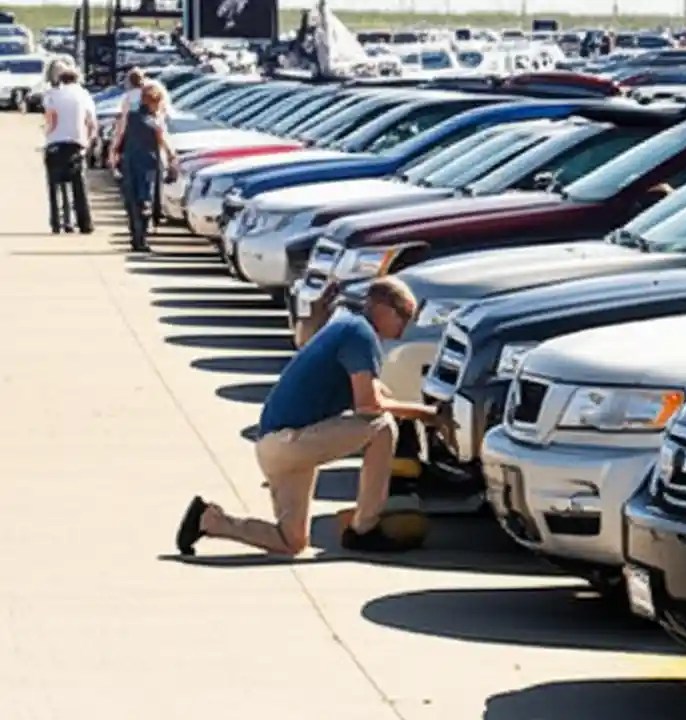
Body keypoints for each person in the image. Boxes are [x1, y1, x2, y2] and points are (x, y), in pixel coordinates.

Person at [175, 278, 440, 557]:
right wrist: (427, 415)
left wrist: (418, 409)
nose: (404, 329)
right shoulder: (361, 335)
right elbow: (368, 405)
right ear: (384, 309)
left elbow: (377, 391)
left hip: (275, 445)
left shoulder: (347, 326)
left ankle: (210, 520)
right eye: (404, 317)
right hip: (290, 441)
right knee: (381, 427)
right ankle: (365, 528)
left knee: (291, 542)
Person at [109, 80, 176, 252]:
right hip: (148, 164)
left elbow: (118, 136)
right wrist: (172, 158)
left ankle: (136, 236)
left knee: (132, 201)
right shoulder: (155, 121)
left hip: (130, 162)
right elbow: (164, 141)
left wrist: (113, 155)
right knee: (145, 200)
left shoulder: (130, 117)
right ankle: (141, 237)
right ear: (153, 101)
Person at [42, 64, 96, 235]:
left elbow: (51, 120)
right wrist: (88, 141)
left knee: (55, 186)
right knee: (79, 186)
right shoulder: (84, 95)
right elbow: (91, 122)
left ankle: (57, 222)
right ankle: (84, 222)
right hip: (77, 143)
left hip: (56, 143)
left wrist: (47, 133)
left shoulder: (52, 95)